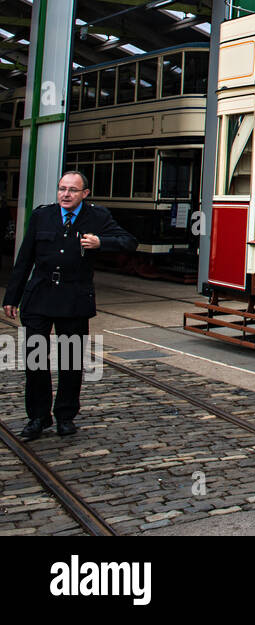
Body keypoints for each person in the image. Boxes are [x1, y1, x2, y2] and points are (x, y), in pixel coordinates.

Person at [3, 171, 137, 439]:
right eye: (62, 189)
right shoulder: (43, 215)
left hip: (74, 299)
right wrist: (11, 297)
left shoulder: (97, 217)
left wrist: (102, 242)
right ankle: (38, 417)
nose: (65, 194)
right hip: (39, 297)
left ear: (85, 194)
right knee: (36, 361)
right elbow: (24, 258)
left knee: (71, 360)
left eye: (72, 190)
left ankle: (65, 415)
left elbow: (129, 242)